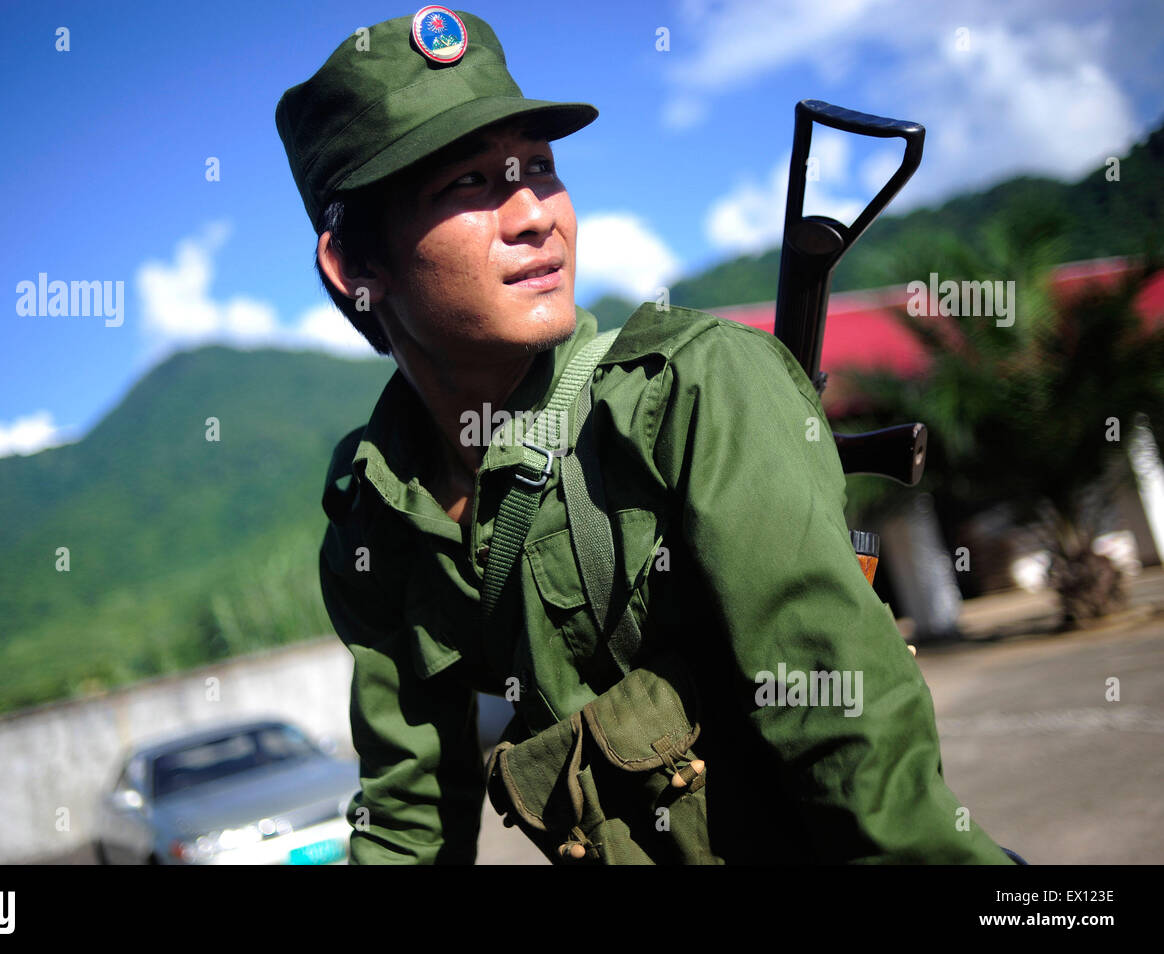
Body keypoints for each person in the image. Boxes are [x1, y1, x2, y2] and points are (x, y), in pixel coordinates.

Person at [275, 7, 1017, 864]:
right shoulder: (374, 514)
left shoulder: (696, 390)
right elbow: (408, 820)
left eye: (541, 170)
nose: (535, 214)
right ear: (355, 265)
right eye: (468, 185)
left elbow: (852, 753)